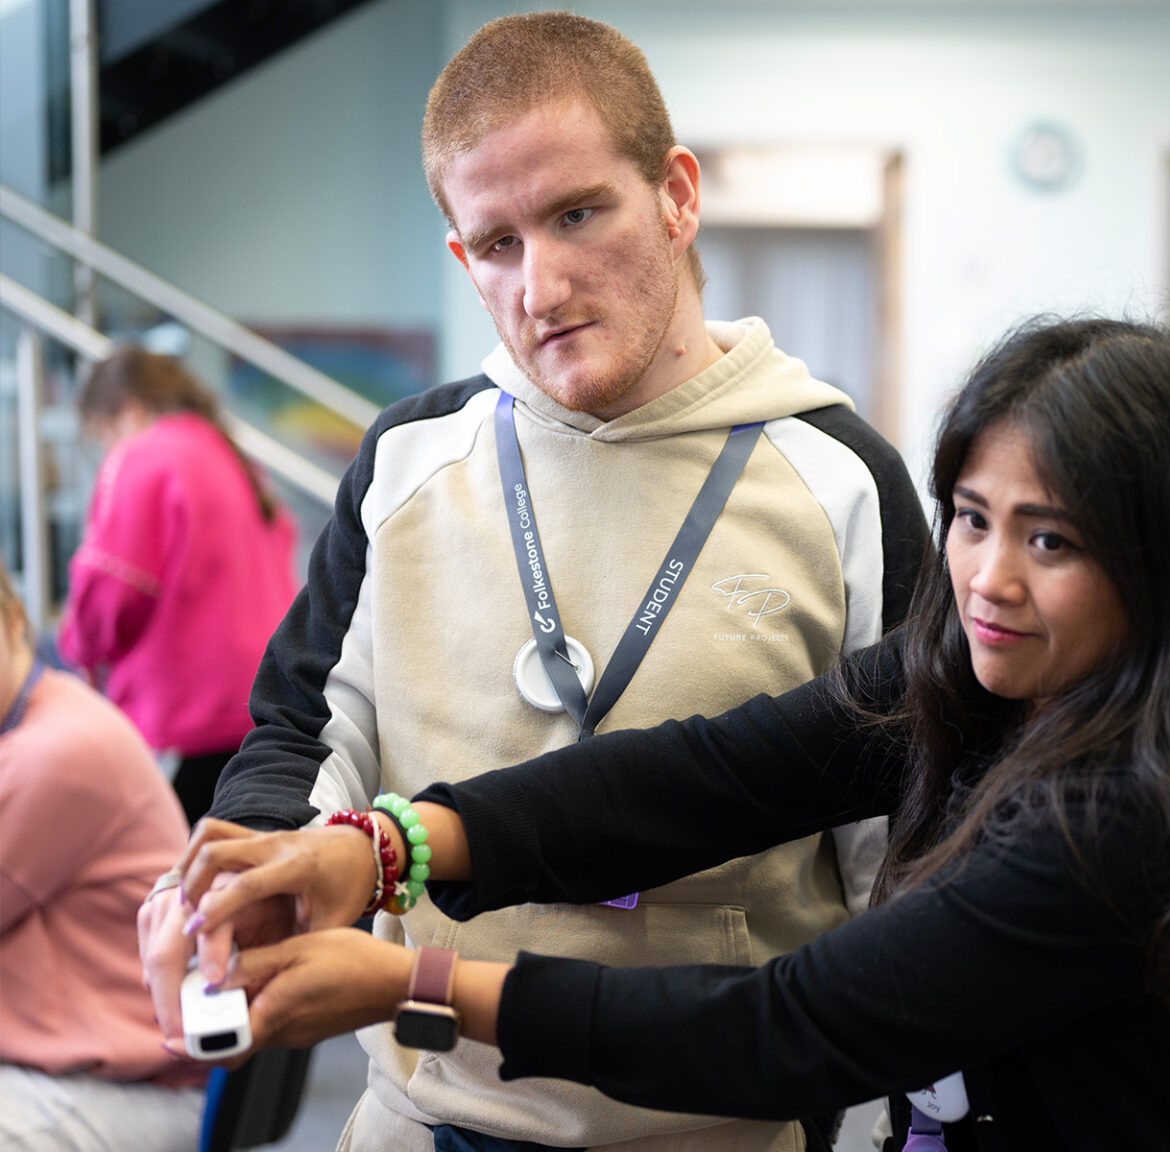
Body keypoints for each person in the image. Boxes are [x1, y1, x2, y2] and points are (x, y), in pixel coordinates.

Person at [177, 318, 1170, 1151]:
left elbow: (791, 1030)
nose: (987, 577)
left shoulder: (1129, 812)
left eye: (1054, 540)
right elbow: (713, 773)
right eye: (974, 518)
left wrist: (413, 982)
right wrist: (391, 846)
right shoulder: (985, 678)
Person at [139, 11, 928, 1152]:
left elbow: (893, 865)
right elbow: (309, 724)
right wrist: (259, 854)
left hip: (718, 1130)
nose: (543, 284)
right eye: (497, 244)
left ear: (677, 195)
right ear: (461, 259)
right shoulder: (408, 458)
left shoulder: (844, 483)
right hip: (423, 1111)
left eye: (577, 214)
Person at [0, 567, 208, 1151]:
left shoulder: (54, 752)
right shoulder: (46, 711)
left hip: (133, 1085)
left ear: (16, 619)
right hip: (85, 1061)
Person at [57, 346, 298, 823]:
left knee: (174, 882)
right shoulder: (234, 458)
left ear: (130, 411)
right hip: (261, 703)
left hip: (185, 713)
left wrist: (74, 650)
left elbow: (111, 586)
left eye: (103, 434)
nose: (107, 448)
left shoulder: (143, 454)